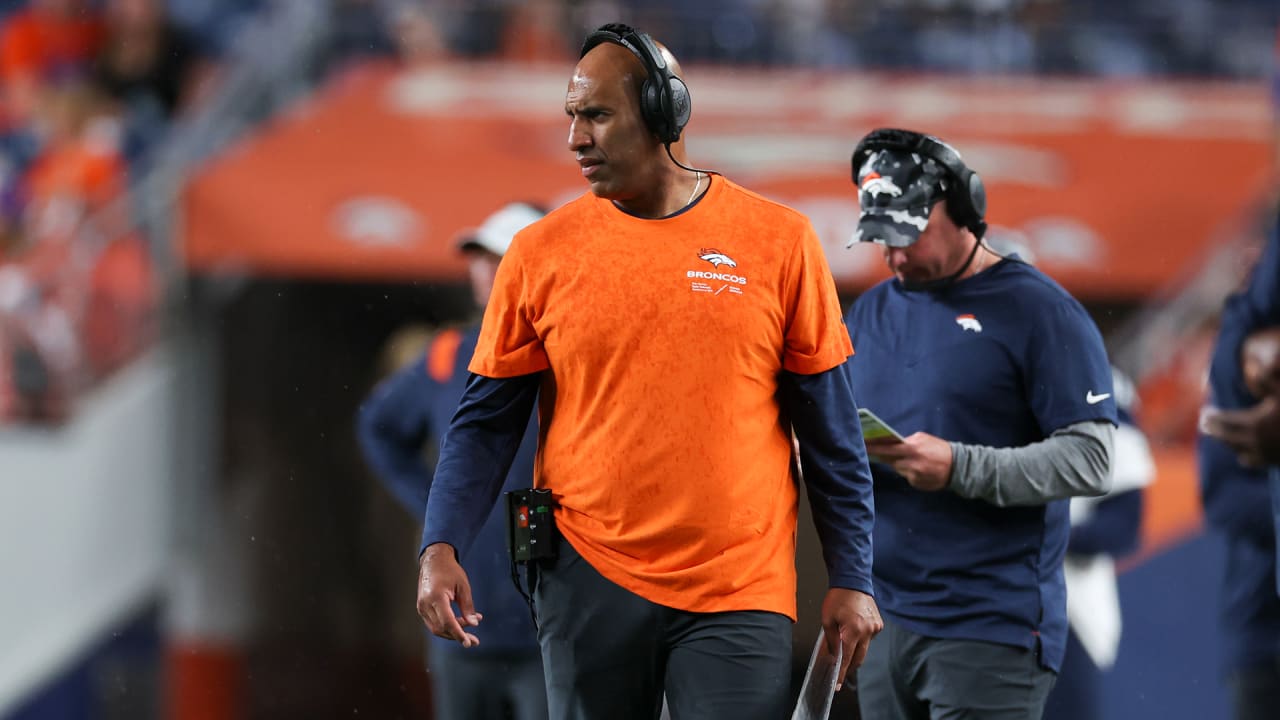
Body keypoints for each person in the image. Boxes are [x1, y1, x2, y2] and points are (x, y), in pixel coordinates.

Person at [415, 22, 881, 720]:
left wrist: (853, 575)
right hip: (584, 575)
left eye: (596, 115)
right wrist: (440, 543)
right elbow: (484, 424)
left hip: (738, 586)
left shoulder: (780, 243)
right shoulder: (538, 254)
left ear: (665, 116)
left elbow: (832, 435)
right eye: (571, 117)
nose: (576, 138)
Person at [843, 127, 1116, 720]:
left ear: (962, 208)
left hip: (990, 623)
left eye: (906, 236)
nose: (893, 256)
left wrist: (961, 467)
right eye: (880, 239)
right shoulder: (869, 313)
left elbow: (1093, 460)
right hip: (885, 617)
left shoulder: (1041, 312)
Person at [357, 201, 549, 720]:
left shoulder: (573, 358)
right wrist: (438, 509)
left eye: (497, 257)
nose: (482, 271)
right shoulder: (448, 356)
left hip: (551, 628)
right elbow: (378, 425)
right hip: (464, 626)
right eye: (480, 258)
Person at [1043, 368, 1154, 720]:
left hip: (1066, 600)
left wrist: (1046, 535)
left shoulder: (1094, 377)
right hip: (970, 593)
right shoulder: (973, 358)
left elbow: (1123, 523)